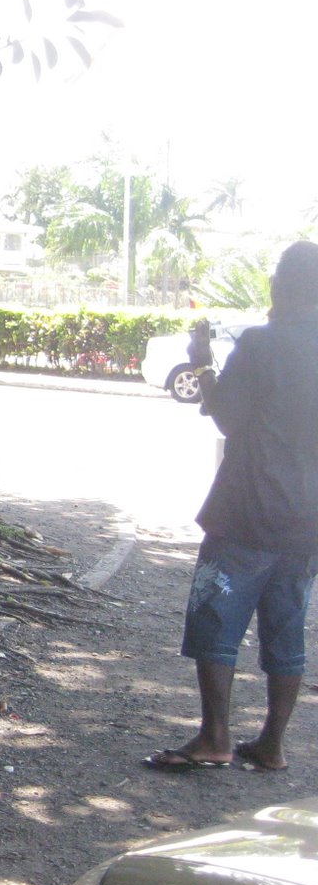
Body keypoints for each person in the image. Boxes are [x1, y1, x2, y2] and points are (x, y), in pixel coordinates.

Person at [144, 241, 318, 774]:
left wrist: (203, 366)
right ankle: (272, 744)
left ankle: (215, 736)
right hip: (308, 520)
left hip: (248, 509)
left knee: (216, 621)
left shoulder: (261, 344)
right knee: (287, 626)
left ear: (281, 287)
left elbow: (228, 419)